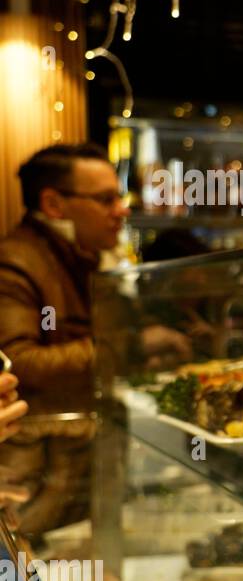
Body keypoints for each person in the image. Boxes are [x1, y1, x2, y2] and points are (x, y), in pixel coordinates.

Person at [0, 144, 188, 538]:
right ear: (53, 204)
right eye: (105, 199)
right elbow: (18, 365)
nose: (121, 210)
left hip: (81, 480)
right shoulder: (17, 262)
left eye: (119, 196)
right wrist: (133, 346)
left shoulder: (87, 260)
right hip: (35, 488)